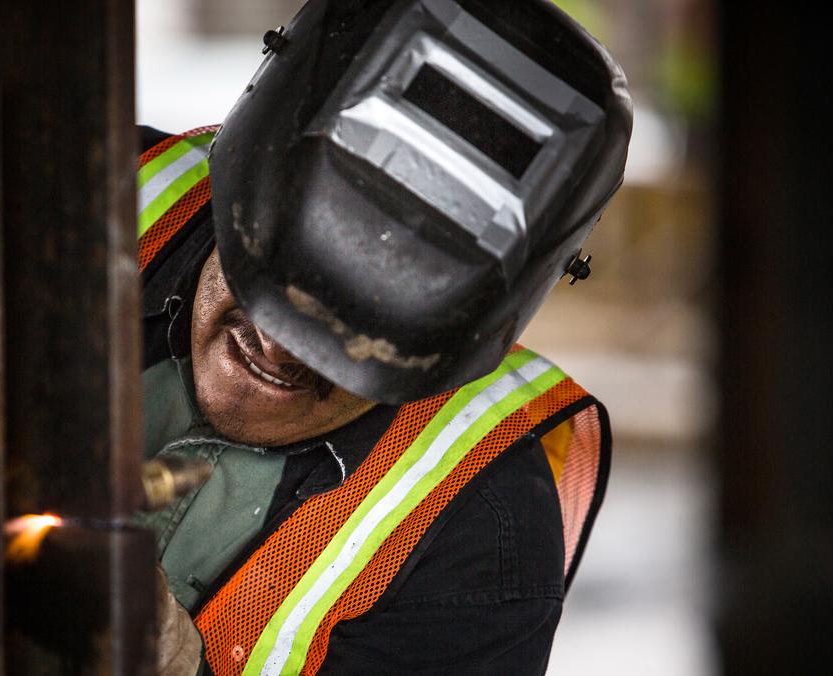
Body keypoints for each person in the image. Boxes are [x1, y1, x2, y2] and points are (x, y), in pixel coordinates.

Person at [135, 0, 632, 673]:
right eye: (265, 291)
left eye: (346, 345)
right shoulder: (73, 191)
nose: (279, 350)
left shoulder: (481, 530)